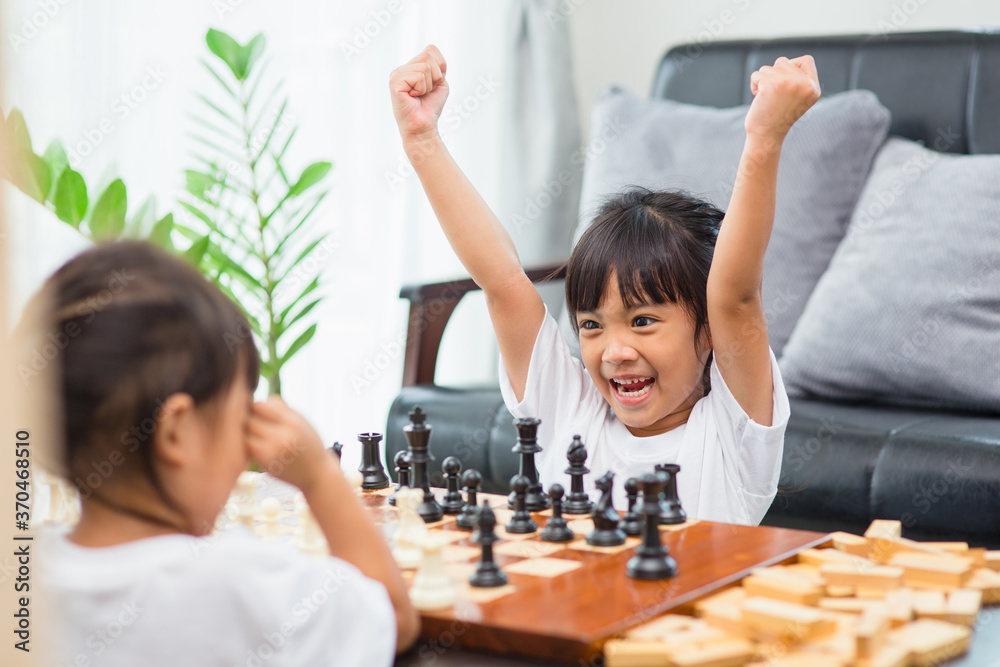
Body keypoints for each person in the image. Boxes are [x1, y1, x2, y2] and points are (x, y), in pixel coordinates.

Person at [389, 46, 820, 525]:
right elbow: (502, 280)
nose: (615, 351)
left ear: (709, 331)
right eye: (591, 325)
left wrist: (766, 137)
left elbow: (735, 296)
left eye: (642, 320)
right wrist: (421, 139)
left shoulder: (733, 436)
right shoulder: (568, 411)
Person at [25, 242, 419, 666]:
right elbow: (394, 620)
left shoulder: (25, 574)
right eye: (243, 419)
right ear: (176, 433)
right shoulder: (239, 581)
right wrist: (320, 477)